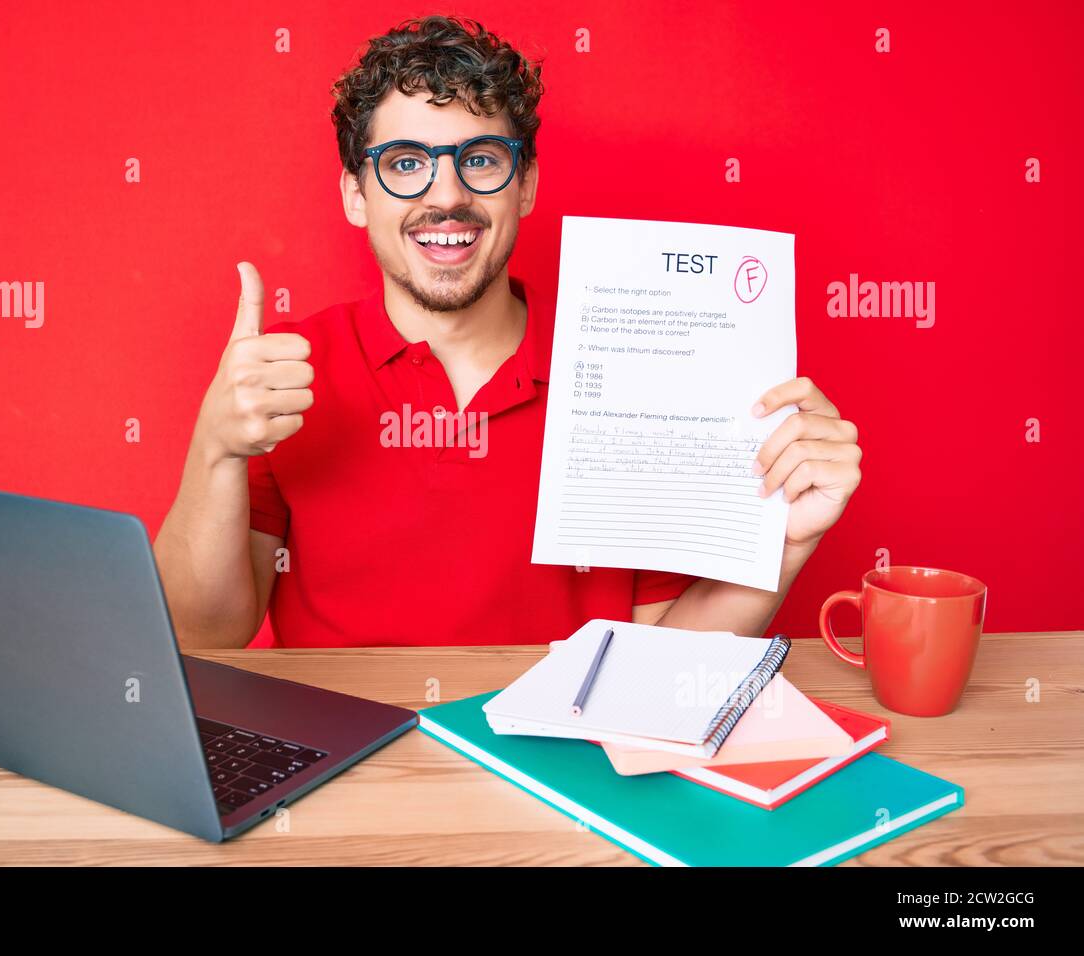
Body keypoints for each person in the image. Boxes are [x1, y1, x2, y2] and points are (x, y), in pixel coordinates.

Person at [153, 14, 862, 649]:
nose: (448, 195)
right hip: (350, 779)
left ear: (523, 184)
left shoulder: (635, 374)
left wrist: (789, 544)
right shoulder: (282, 376)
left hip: (560, 775)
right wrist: (214, 446)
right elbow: (201, 635)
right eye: (405, 164)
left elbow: (664, 662)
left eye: (481, 159)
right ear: (353, 193)